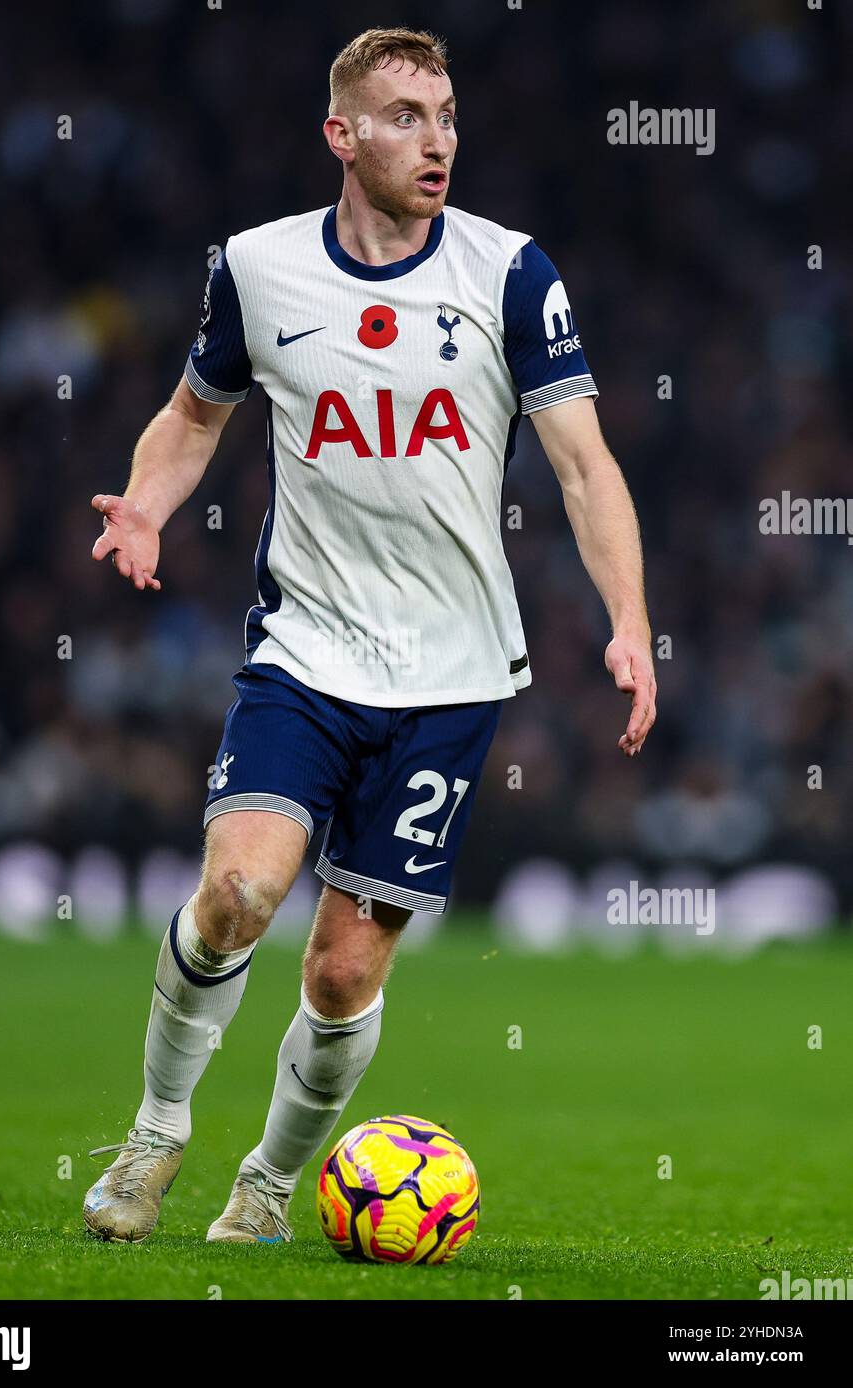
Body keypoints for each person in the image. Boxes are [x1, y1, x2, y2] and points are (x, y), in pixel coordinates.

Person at [83, 26, 656, 1245]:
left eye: (445, 113)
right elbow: (193, 416)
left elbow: (583, 466)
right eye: (403, 115)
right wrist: (144, 504)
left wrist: (629, 624)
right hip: (306, 647)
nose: (435, 137)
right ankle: (155, 1129)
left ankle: (270, 1187)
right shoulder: (258, 266)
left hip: (449, 674)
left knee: (341, 973)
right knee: (236, 890)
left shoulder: (509, 273)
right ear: (341, 135)